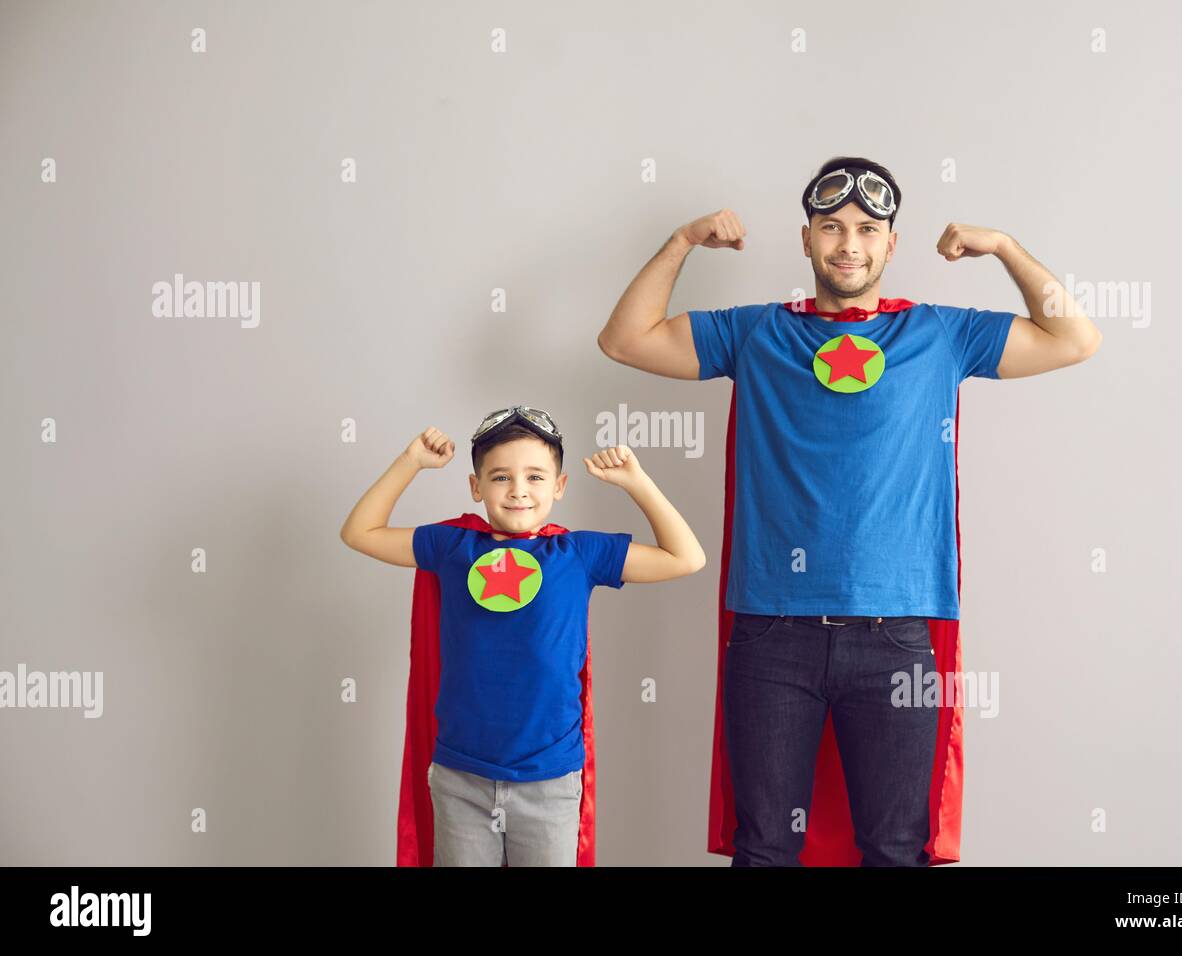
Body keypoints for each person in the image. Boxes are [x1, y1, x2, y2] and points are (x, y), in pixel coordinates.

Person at [597, 156, 1102, 866]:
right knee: (765, 847)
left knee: (895, 850)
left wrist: (1005, 250)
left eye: (868, 229)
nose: (848, 244)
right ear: (806, 241)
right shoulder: (757, 333)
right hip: (773, 634)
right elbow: (625, 339)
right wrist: (681, 240)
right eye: (831, 227)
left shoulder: (938, 335)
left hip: (895, 637)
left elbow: (1073, 339)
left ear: (891, 245)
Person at [339, 406, 706, 865]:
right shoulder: (452, 546)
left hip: (549, 780)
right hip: (461, 777)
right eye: (500, 477)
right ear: (475, 487)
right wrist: (411, 460)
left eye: (535, 477)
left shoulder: (578, 553)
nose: (518, 491)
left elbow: (686, 557)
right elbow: (359, 532)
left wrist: (636, 481)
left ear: (560, 485)